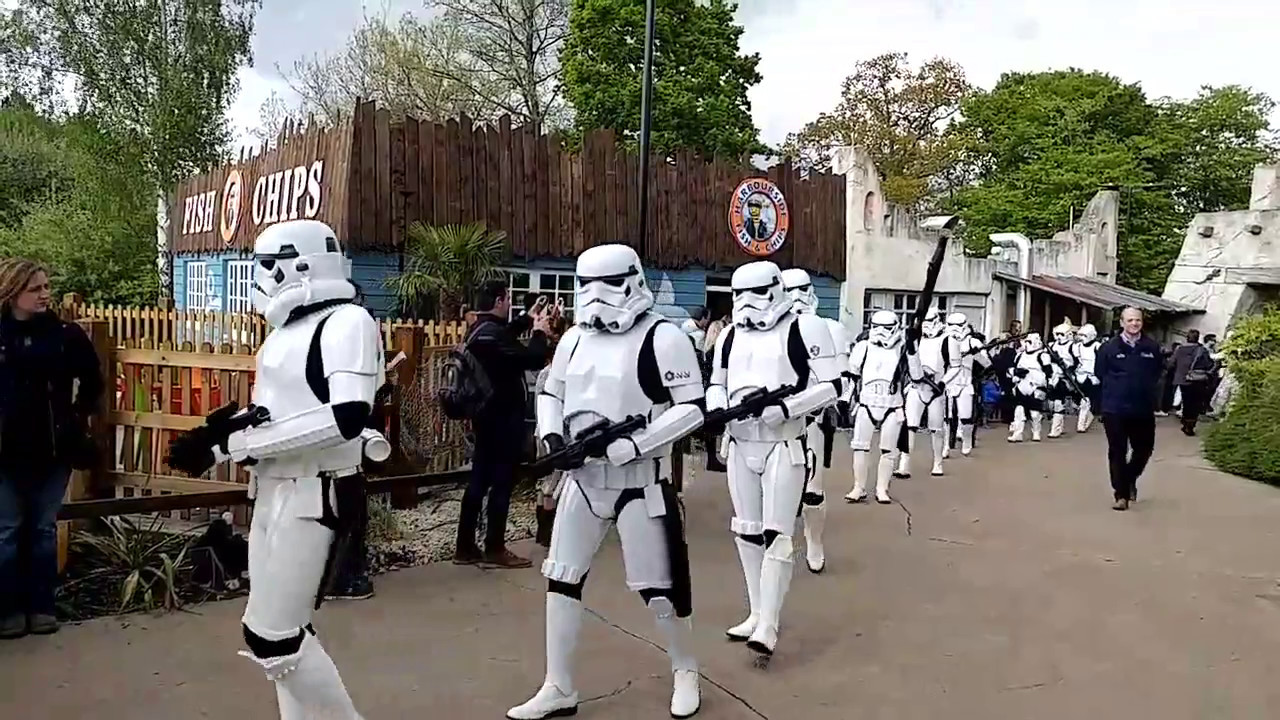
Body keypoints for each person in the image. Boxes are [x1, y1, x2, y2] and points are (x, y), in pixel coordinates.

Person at [166, 220, 392, 719]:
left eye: (269, 264)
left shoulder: (347, 322)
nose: (261, 277)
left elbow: (349, 417)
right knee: (284, 632)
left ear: (302, 263)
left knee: (273, 638)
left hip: (318, 491)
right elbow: (278, 412)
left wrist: (240, 441)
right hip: (273, 490)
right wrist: (219, 437)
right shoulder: (286, 334)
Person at [508, 244, 705, 720]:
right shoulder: (575, 338)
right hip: (583, 478)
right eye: (586, 285)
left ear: (632, 280)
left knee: (659, 587)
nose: (596, 297)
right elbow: (552, 391)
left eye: (608, 283)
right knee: (561, 578)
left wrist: (637, 444)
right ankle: (559, 685)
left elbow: (693, 408)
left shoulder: (664, 337)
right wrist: (552, 435)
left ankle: (685, 668)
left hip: (641, 480)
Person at [708, 261, 840, 657]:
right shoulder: (730, 335)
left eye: (756, 293)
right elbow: (717, 382)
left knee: (776, 532)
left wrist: (786, 408)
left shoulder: (805, 328)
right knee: (746, 529)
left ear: (775, 289)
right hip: (740, 441)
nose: (747, 303)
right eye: (739, 294)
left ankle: (769, 622)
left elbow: (833, 385)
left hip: (783, 441)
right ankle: (756, 611)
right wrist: (719, 410)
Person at [0, 259, 103, 639]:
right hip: (5, 453)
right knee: (7, 531)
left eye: (46, 287)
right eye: (35, 288)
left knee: (44, 529)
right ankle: (8, 612)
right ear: (13, 292)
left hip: (53, 448)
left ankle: (42, 607)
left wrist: (76, 418)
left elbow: (93, 380)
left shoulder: (65, 335)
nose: (45, 294)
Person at [454, 278, 552, 569]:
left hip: (486, 418)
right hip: (501, 420)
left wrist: (527, 316)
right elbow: (532, 359)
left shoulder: (481, 330)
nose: (509, 304)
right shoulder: (491, 337)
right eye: (508, 299)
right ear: (498, 301)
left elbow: (506, 334)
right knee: (501, 482)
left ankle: (465, 546)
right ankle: (495, 546)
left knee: (479, 480)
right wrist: (539, 332)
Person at [781, 268, 850, 573]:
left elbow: (840, 379)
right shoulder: (770, 330)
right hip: (773, 422)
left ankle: (814, 541)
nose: (797, 298)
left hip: (812, 417)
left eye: (802, 289)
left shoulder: (831, 329)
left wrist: (824, 403)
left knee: (813, 489)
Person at [845, 310, 921, 504]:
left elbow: (917, 375)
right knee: (860, 447)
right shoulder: (863, 347)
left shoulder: (903, 348)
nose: (881, 332)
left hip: (892, 404)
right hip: (866, 402)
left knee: (888, 450)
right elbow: (852, 375)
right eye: (876, 327)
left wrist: (912, 351)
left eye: (886, 328)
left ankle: (882, 488)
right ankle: (858, 487)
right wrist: (845, 399)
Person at [1094, 307, 1163, 511]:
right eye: (1130, 320)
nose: (1134, 324)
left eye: (1138, 320)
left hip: (1142, 408)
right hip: (1114, 408)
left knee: (1144, 449)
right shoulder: (1109, 348)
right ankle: (1121, 495)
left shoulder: (1151, 347)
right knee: (1117, 451)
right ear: (1122, 322)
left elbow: (1157, 372)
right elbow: (1100, 373)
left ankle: (1130, 477)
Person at [895, 306, 949, 478]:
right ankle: (904, 463)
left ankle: (937, 462)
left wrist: (943, 382)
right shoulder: (915, 340)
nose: (926, 325)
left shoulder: (946, 340)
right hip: (916, 386)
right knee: (910, 426)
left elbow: (955, 366)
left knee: (936, 428)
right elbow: (905, 363)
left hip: (936, 388)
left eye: (929, 321)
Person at [941, 312, 992, 456]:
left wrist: (975, 354)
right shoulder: (944, 341)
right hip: (948, 381)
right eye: (951, 325)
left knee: (966, 416)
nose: (955, 328)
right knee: (947, 418)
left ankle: (967, 441)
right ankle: (945, 446)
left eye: (958, 325)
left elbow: (987, 364)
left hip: (966, 381)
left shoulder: (973, 342)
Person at [1007, 332, 1055, 443]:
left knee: (1035, 413)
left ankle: (1036, 432)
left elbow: (1049, 372)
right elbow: (1010, 370)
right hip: (1021, 384)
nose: (1026, 344)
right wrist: (1016, 373)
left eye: (1029, 342)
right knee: (1019, 411)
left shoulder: (1043, 355)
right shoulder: (1020, 355)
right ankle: (1018, 433)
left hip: (1037, 386)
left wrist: (1050, 384)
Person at [1170, 329, 1215, 436]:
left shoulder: (1179, 349)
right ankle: (1190, 424)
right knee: (1195, 404)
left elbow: (1171, 363)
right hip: (1197, 379)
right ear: (1198, 338)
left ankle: (1186, 422)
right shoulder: (1201, 350)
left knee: (1186, 402)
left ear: (1187, 338)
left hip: (1182, 379)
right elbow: (1209, 364)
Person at [1046, 321, 1078, 438]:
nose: (1059, 337)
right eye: (1057, 334)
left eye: (1062, 334)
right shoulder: (1052, 346)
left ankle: (1056, 428)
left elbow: (1077, 362)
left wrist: (1067, 366)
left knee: (1058, 403)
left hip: (1063, 378)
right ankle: (1058, 426)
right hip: (1052, 377)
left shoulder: (1073, 346)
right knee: (1051, 403)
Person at [1072, 324, 1102, 432]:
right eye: (1081, 335)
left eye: (1085, 335)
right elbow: (1075, 361)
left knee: (1086, 401)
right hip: (1080, 376)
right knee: (1081, 401)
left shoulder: (1097, 346)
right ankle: (1087, 418)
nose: (1082, 338)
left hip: (1093, 377)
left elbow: (1101, 362)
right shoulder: (1077, 347)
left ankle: (1081, 424)